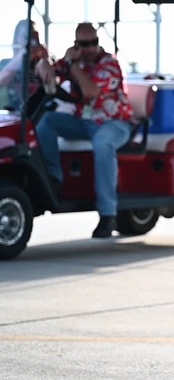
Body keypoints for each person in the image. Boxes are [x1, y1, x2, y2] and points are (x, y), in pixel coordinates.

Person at [34, 23, 133, 238]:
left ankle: (108, 214)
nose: (90, 49)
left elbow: (90, 92)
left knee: (103, 144)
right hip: (84, 122)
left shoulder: (109, 64)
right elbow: (49, 73)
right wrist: (44, 62)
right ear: (76, 44)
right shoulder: (73, 62)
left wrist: (73, 67)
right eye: (84, 44)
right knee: (47, 122)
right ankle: (53, 177)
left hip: (114, 123)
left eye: (93, 43)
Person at [0, 20, 48, 116]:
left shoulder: (41, 63)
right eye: (26, 37)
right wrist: (22, 56)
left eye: (34, 38)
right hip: (12, 113)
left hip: (38, 116)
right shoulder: (6, 63)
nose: (30, 42)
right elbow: (2, 80)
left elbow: (51, 83)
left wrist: (44, 60)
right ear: (16, 38)